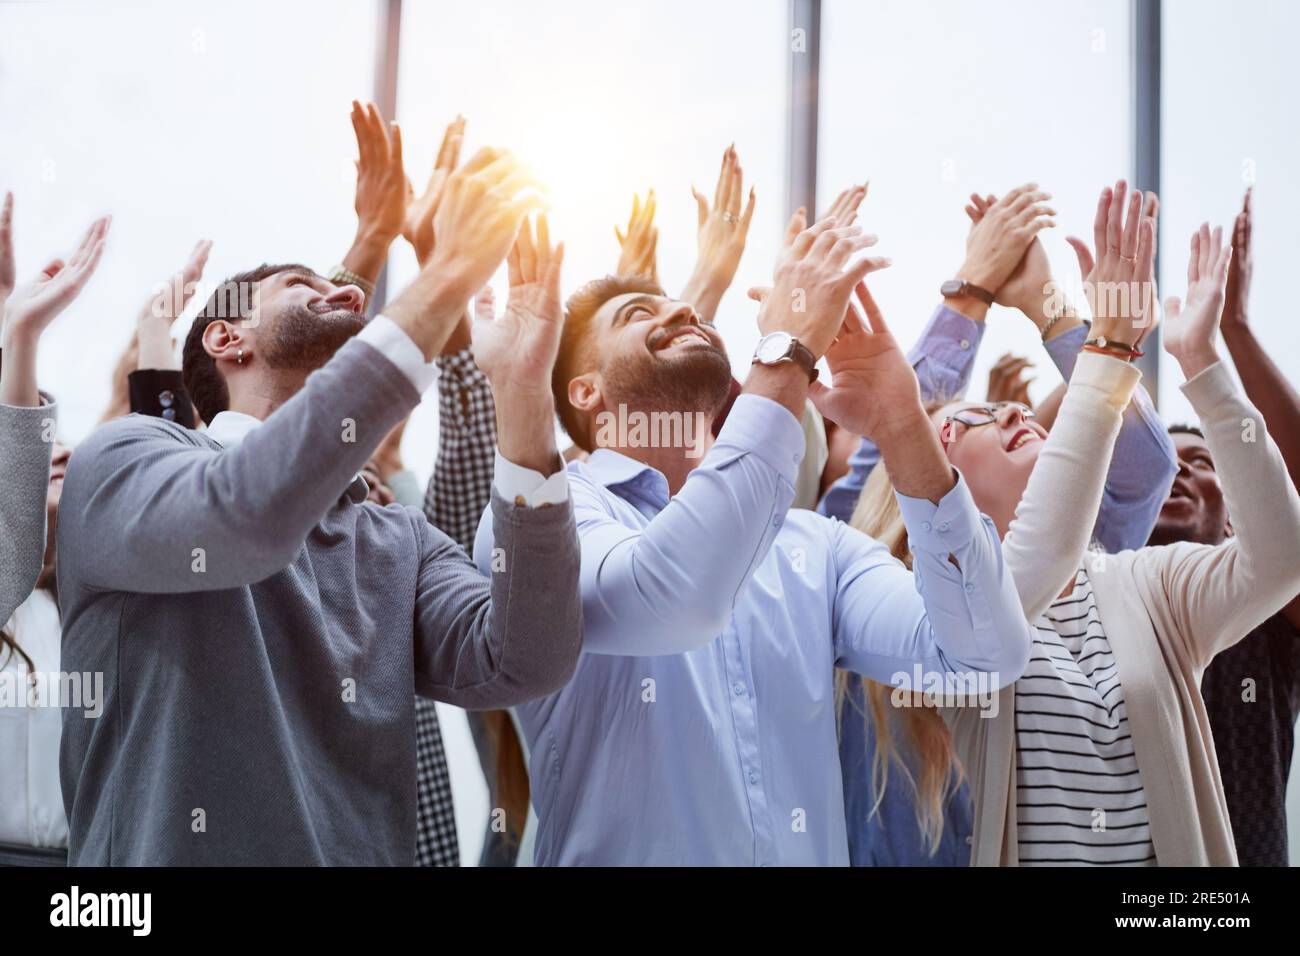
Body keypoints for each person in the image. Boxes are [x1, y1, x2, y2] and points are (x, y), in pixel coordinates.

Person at [56, 150, 584, 866]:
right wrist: (445, 275)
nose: (342, 292)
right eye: (299, 284)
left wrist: (524, 396)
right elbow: (245, 516)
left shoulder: (401, 535)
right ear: (226, 337)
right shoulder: (123, 461)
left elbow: (524, 660)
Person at [475, 202, 1034, 866]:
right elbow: (672, 596)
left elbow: (980, 658)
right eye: (638, 315)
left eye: (688, 310)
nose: (682, 311)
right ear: (586, 392)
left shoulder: (815, 548)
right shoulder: (544, 523)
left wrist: (902, 422)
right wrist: (788, 349)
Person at [853, 186, 1300, 865]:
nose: (1014, 415)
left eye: (1026, 414)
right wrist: (1102, 343)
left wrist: (1203, 362)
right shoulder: (928, 608)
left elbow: (1280, 559)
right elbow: (1037, 556)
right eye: (968, 418)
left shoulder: (1142, 586)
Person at [829, 182, 1176, 866]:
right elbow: (890, 423)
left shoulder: (1086, 577)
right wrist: (968, 293)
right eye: (974, 418)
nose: (1016, 413)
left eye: (1012, 410)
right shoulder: (866, 596)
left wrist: (1055, 310)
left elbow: (1136, 466)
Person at [1160, 189, 1300, 867]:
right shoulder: (1088, 594)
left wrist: (1232, 332)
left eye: (1202, 461)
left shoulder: (1265, 607)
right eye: (1158, 463)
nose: (1179, 472)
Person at [1, 201, 109, 861]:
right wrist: (15, 325)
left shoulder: (102, 609)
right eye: (46, 450)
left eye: (68, 449)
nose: (60, 453)